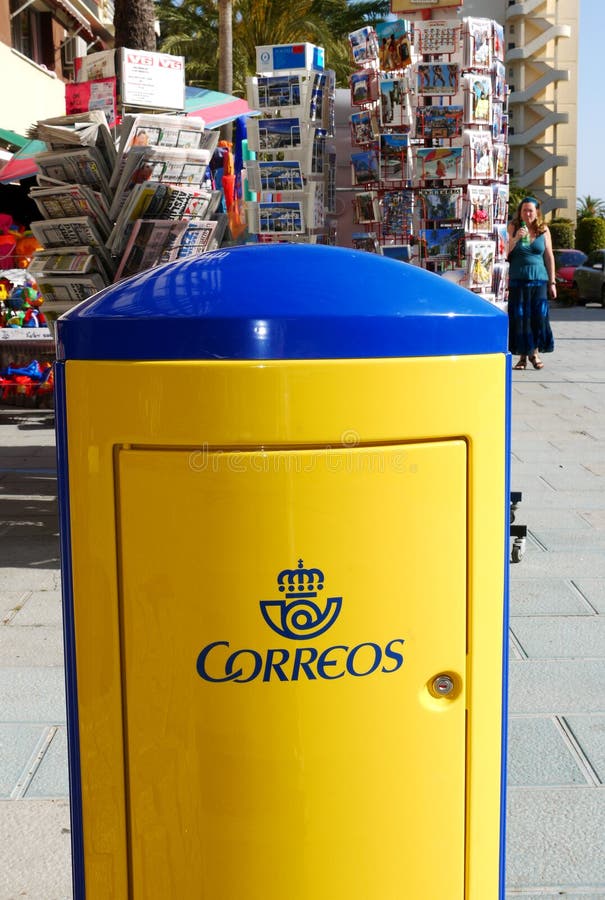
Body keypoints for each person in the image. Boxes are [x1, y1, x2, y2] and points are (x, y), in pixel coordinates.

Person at [507, 197, 556, 369]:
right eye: (524, 210)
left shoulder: (543, 230)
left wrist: (553, 282)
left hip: (539, 279)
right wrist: (514, 239)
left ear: (536, 213)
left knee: (538, 317)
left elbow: (549, 256)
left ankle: (534, 354)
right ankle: (522, 358)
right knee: (520, 318)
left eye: (530, 211)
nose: (527, 214)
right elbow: (504, 253)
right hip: (518, 279)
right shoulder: (513, 228)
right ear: (520, 212)